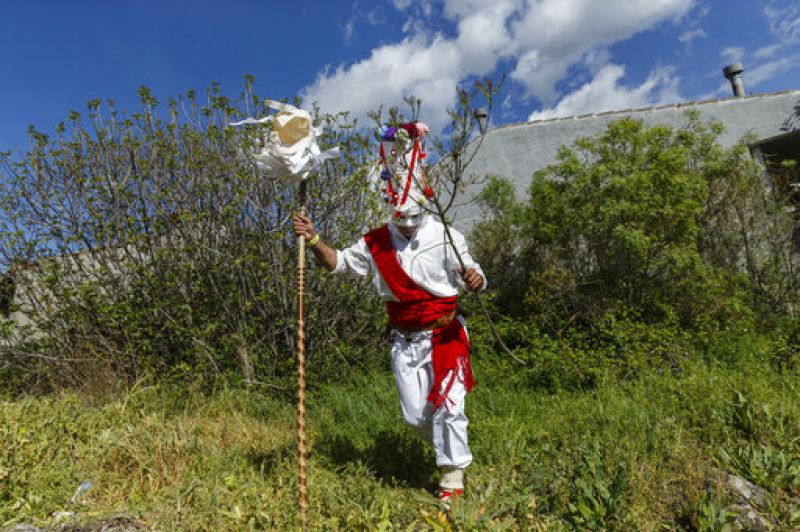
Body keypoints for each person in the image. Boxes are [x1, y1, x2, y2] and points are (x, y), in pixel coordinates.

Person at [291, 121, 486, 506]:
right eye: (402, 220)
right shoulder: (375, 242)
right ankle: (451, 447)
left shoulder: (445, 234)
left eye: (414, 218)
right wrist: (313, 239)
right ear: (390, 211)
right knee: (415, 416)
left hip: (445, 335)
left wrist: (475, 278)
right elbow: (337, 264)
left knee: (449, 408)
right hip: (404, 341)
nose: (408, 226)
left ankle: (452, 481)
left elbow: (473, 273)